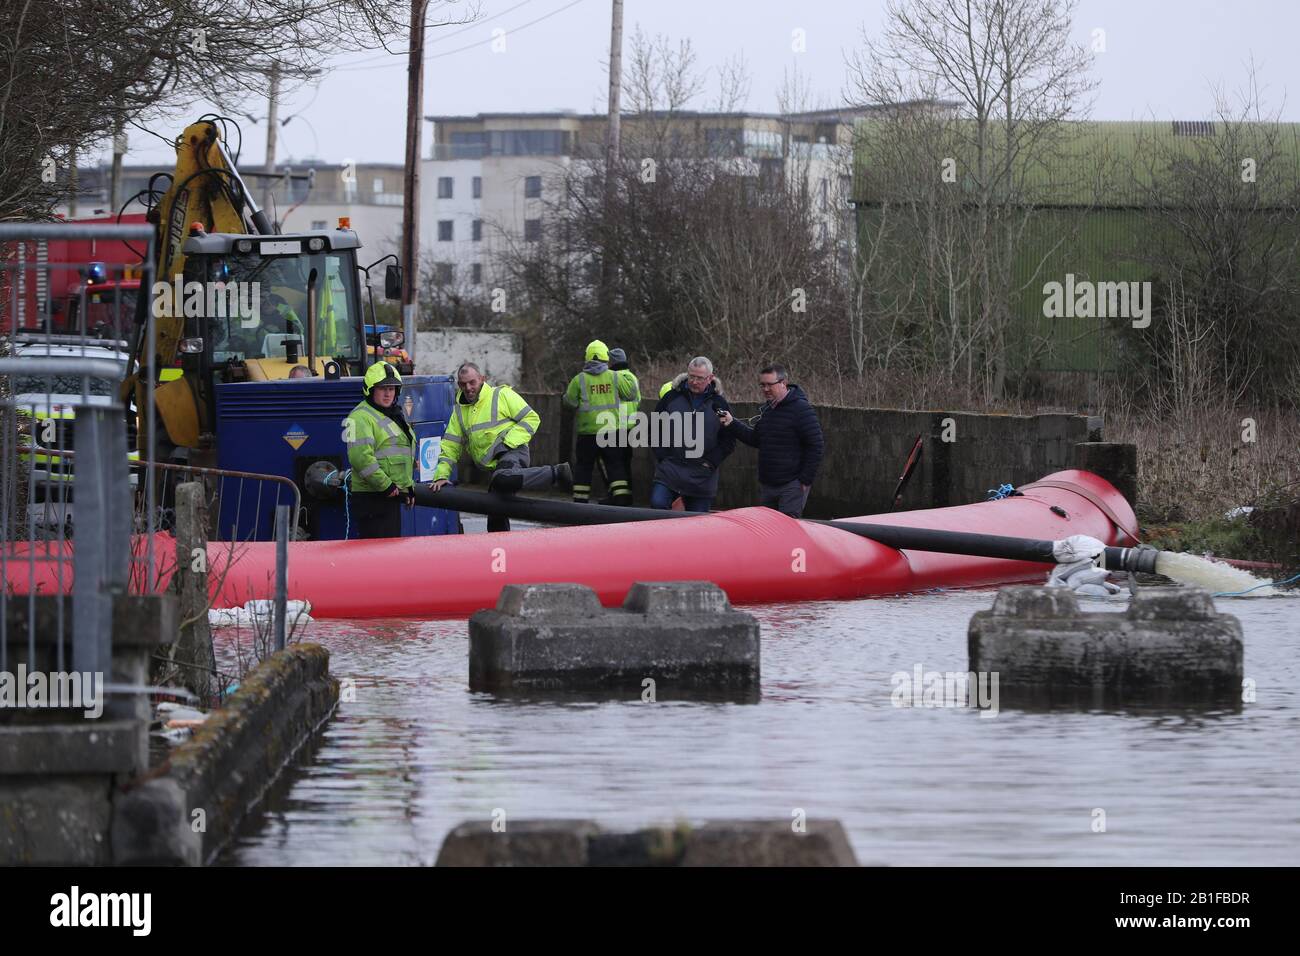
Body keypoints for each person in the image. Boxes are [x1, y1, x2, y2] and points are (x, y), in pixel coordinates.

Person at [429, 361, 573, 532]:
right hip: (496, 465)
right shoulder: (459, 411)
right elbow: (450, 446)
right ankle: (499, 548)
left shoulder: (501, 395)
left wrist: (506, 443)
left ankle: (557, 473)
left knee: (502, 479)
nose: (467, 388)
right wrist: (441, 475)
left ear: (482, 379)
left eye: (472, 382)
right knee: (495, 508)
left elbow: (531, 418)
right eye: (463, 384)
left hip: (512, 452)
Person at [718, 364, 824, 518]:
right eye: (762, 385)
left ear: (784, 383)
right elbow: (756, 439)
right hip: (768, 485)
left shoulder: (801, 409)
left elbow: (816, 445)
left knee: (786, 532)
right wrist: (731, 423)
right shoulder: (768, 410)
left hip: (791, 486)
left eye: (770, 384)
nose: (766, 389)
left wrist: (804, 481)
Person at [650, 356, 734, 513]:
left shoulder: (719, 404)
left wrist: (710, 462)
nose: (694, 382)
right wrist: (663, 456)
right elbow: (654, 428)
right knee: (657, 505)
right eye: (691, 376)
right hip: (670, 469)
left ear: (710, 378)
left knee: (697, 521)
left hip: (702, 474)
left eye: (699, 378)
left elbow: (728, 440)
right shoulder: (671, 398)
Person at [344, 361, 415, 538]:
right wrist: (386, 486)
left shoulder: (393, 415)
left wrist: (407, 488)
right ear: (371, 390)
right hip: (373, 499)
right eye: (383, 388)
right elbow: (361, 458)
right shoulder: (359, 417)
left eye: (392, 389)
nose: (388, 393)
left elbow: (400, 454)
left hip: (389, 496)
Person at [563, 340, 637, 505]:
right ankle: (622, 500)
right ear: (606, 358)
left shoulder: (579, 380)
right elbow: (631, 395)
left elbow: (569, 403)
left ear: (587, 357)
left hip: (587, 433)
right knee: (616, 465)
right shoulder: (615, 377)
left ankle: (580, 502)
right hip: (611, 431)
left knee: (584, 467)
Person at [603, 347, 640, 502]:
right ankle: (627, 495)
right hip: (629, 427)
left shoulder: (612, 378)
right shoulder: (632, 377)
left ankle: (617, 497)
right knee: (625, 463)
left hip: (614, 426)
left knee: (613, 464)